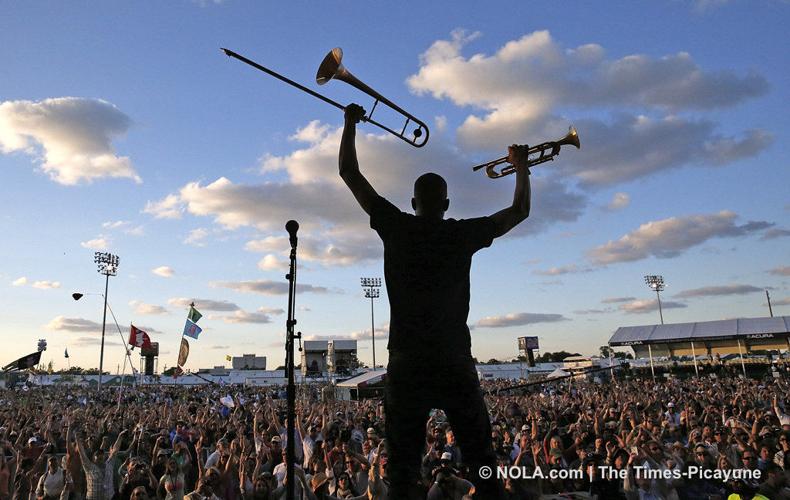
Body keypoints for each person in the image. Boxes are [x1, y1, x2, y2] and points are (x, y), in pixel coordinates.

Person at [339, 103, 533, 498]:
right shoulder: (460, 235)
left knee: (404, 473)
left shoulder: (395, 227)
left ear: (412, 203)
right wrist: (521, 166)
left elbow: (349, 173)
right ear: (446, 205)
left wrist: (349, 124)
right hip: (453, 358)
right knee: (482, 460)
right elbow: (520, 211)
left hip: (407, 361)